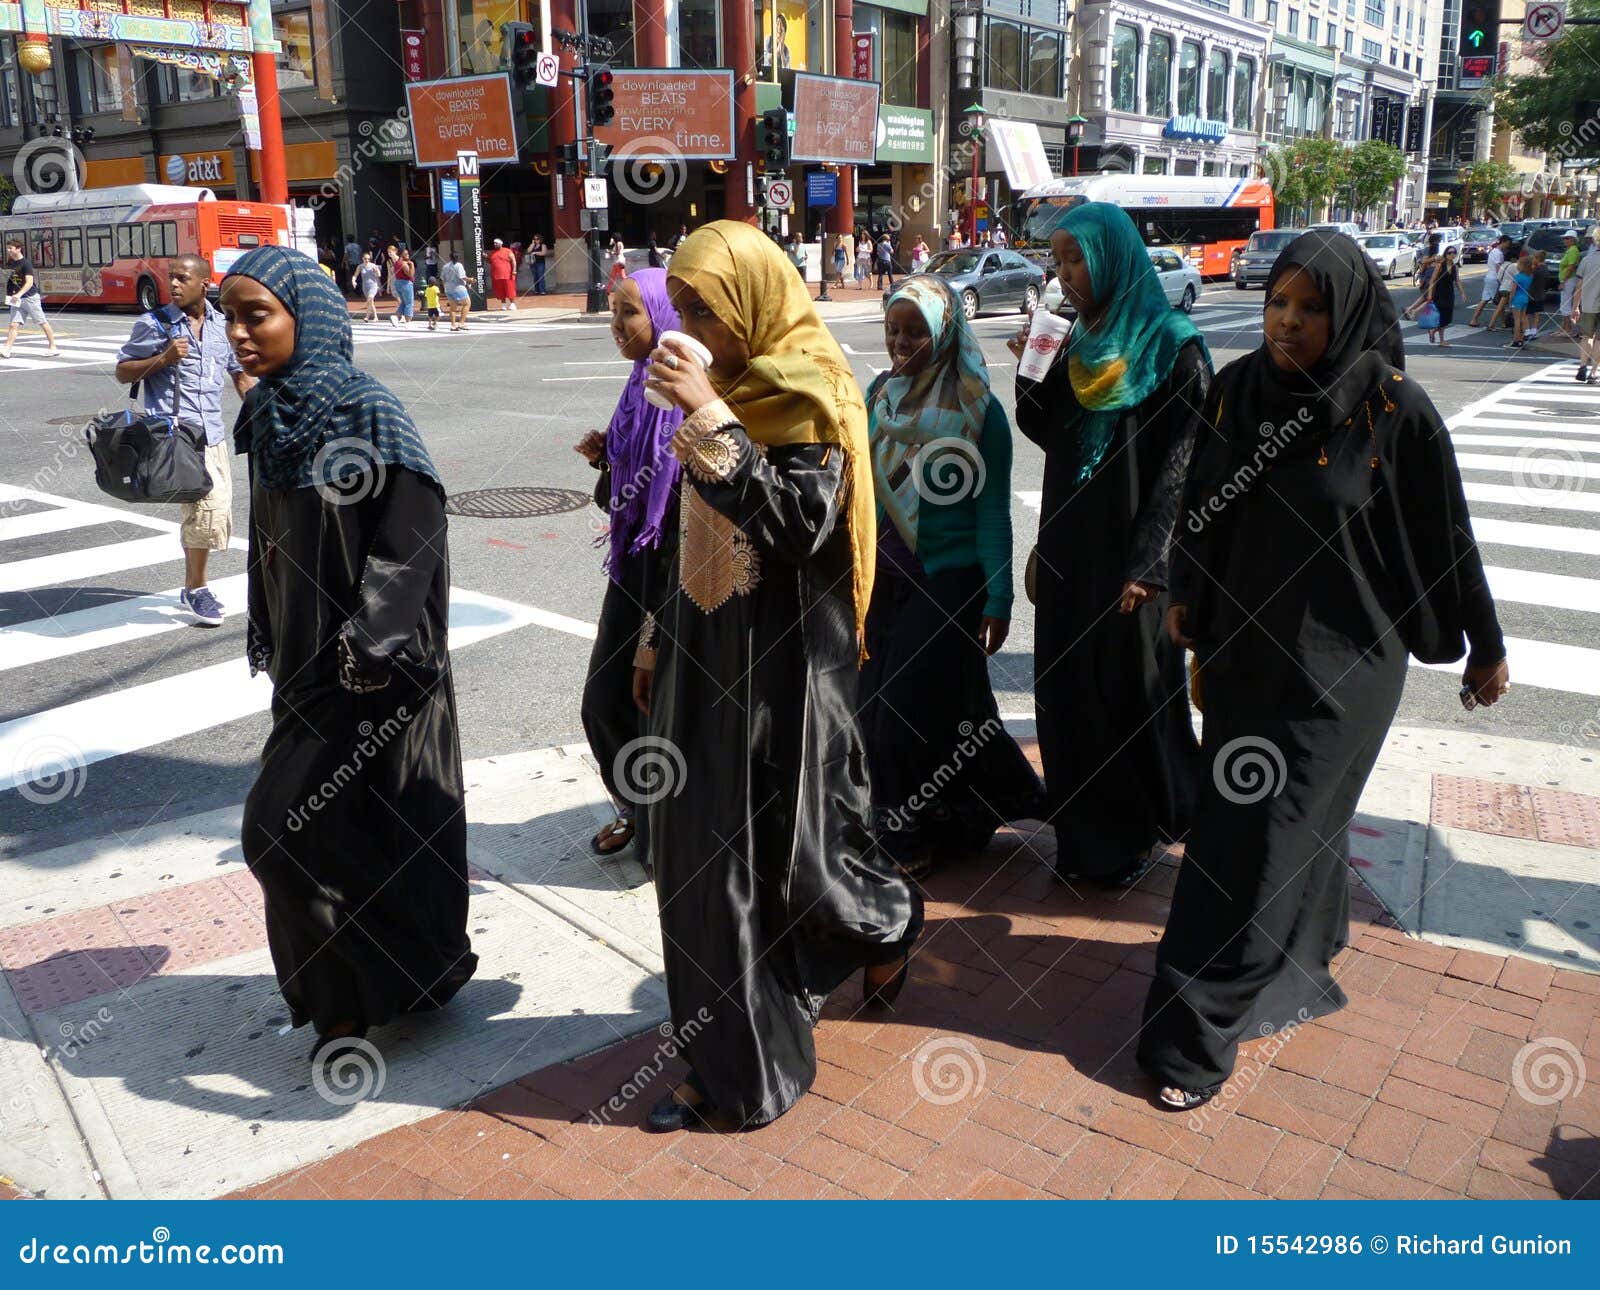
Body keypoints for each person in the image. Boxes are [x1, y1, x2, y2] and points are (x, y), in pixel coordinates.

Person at [1143, 231, 1509, 1111]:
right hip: (1243, 658)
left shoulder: (1394, 411)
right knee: (1255, 830)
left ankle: (1191, 1037)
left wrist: (1486, 643)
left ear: (1345, 314)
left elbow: (1446, 535)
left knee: (1257, 841)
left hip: (1346, 673)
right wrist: (1185, 591)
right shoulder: (1236, 393)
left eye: (1310, 308)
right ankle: (1299, 956)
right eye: (1277, 304)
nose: (1288, 323)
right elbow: (1202, 505)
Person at [633, 222, 922, 1132]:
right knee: (698, 866)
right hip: (702, 657)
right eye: (678, 308)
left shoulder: (808, 389)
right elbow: (695, 532)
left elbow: (797, 529)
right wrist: (653, 636)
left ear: (751, 300)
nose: (690, 327)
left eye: (705, 309)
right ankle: (731, 1058)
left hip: (783, 674)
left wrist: (710, 417)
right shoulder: (724, 388)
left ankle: (873, 935)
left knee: (785, 861)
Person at [218, 246, 478, 1065]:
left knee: (278, 832)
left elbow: (414, 533)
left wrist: (369, 642)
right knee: (341, 837)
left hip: (373, 671)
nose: (238, 333)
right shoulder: (272, 413)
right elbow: (271, 540)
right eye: (230, 316)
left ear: (309, 316)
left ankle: (348, 1002)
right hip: (305, 666)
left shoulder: (366, 411)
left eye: (255, 314)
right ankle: (365, 989)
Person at [1008, 202, 1209, 886]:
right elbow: (1045, 429)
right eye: (1058, 261)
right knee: (1068, 691)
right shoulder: (1073, 342)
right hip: (1069, 547)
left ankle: (1131, 833)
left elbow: (1183, 466)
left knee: (1126, 692)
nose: (1065, 276)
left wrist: (1152, 565)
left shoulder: (1171, 345)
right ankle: (1083, 830)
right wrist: (1031, 366)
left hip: (1130, 560)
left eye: (1076, 260)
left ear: (1113, 258)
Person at [859, 277, 1043, 878]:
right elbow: (860, 491)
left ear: (943, 332)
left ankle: (907, 835)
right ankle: (988, 804)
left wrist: (999, 595)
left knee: (899, 710)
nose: (903, 343)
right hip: (884, 580)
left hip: (950, 580)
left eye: (916, 331)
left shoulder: (977, 409)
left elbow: (991, 510)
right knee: (913, 706)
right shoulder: (879, 396)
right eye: (894, 330)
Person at [574, 270, 684, 858]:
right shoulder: (641, 383)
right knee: (608, 702)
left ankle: (662, 827)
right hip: (631, 569)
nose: (616, 326)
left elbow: (670, 520)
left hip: (662, 579)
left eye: (628, 313)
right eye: (614, 312)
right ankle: (640, 811)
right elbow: (624, 489)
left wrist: (652, 632)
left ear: (664, 317)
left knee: (642, 703)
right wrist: (606, 460)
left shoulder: (679, 396)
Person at [113, 253, 255, 624]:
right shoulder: (154, 324)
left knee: (206, 512)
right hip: (175, 437)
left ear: (203, 284)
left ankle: (193, 586)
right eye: (171, 278)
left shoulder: (223, 325)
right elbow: (123, 372)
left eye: (181, 278)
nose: (173, 284)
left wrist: (261, 411)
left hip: (213, 436)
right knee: (210, 509)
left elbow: (240, 374)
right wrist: (163, 359)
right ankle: (196, 589)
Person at [2, 237, 60, 359]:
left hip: (30, 298)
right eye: (8, 248)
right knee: (13, 325)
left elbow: (29, 283)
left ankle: (53, 347)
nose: (8, 251)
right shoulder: (12, 263)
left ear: (18, 249)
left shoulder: (26, 263)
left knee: (42, 322)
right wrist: (10, 295)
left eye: (10, 248)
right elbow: (11, 280)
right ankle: (7, 349)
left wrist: (18, 294)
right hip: (17, 299)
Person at [1423, 245, 1466, 347]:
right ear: (1445, 254)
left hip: (1449, 293)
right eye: (1449, 253)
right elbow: (1432, 280)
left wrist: (1462, 292)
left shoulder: (1455, 267)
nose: (1452, 255)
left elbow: (1457, 280)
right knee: (1441, 317)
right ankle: (1441, 340)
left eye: (1454, 253)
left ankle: (1433, 331)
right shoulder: (1440, 265)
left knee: (1447, 319)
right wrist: (1429, 295)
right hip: (1439, 293)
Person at [1572, 236, 1600, 383]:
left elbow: (1579, 286)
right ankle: (1593, 372)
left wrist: (1575, 306)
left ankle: (1583, 366)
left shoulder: (1586, 260)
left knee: (1586, 336)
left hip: (1588, 304)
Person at [1468, 234, 1508, 327]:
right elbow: (1498, 267)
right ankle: (1501, 323)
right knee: (1500, 301)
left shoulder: (1493, 251)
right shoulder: (1499, 253)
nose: (1507, 246)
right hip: (1495, 278)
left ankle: (1474, 319)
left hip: (1489, 276)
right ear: (1504, 242)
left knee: (1485, 299)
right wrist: (1501, 279)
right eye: (1507, 243)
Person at [1557, 230, 1582, 338]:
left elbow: (1571, 267)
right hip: (1569, 279)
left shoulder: (1573, 250)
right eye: (1564, 238)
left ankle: (1568, 329)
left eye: (1567, 238)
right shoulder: (1571, 250)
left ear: (1573, 240)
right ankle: (1564, 328)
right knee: (1564, 304)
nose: (1565, 240)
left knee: (1565, 305)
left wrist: (1563, 281)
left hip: (1569, 280)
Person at [440, 250, 472, 331]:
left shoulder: (445, 266)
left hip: (448, 288)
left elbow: (442, 279)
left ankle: (453, 325)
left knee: (453, 308)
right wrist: (470, 280)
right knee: (467, 304)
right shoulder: (459, 265)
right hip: (458, 288)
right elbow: (462, 277)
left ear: (450, 257)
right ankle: (461, 323)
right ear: (458, 257)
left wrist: (444, 288)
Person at [1508, 254, 1534, 348]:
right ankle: (1523, 337)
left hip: (1517, 299)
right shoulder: (1530, 276)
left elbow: (1513, 291)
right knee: (1523, 318)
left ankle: (1516, 340)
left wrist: (1510, 302)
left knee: (1517, 320)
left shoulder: (1518, 277)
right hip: (1525, 298)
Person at [1527, 249, 1551, 339]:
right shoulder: (1545, 268)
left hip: (1532, 294)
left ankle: (1529, 330)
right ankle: (1534, 331)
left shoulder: (1536, 269)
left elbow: (1530, 278)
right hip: (1540, 293)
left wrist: (1532, 267)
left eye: (1533, 258)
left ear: (1537, 258)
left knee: (1529, 313)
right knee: (1536, 313)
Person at [488, 238, 517, 311]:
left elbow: (513, 261)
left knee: (510, 290)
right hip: (496, 275)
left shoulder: (508, 251)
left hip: (507, 274)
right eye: (494, 243)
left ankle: (512, 304)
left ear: (501, 244)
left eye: (496, 243)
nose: (495, 244)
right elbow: (490, 261)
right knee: (500, 291)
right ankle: (503, 304)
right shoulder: (492, 252)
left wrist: (514, 271)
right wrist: (486, 257)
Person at [390, 246, 416, 327]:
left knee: (404, 302)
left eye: (408, 254)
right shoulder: (404, 263)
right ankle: (408, 321)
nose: (408, 255)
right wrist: (412, 265)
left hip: (398, 283)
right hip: (406, 283)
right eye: (405, 254)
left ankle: (396, 317)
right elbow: (410, 275)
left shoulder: (397, 263)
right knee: (409, 303)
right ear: (401, 255)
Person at [356, 251, 381, 323]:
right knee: (371, 302)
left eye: (368, 259)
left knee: (370, 298)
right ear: (362, 259)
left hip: (373, 285)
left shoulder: (373, 266)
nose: (367, 260)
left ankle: (367, 316)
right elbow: (355, 275)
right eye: (365, 259)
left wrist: (376, 271)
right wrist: (353, 281)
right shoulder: (360, 266)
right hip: (365, 286)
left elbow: (379, 275)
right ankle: (376, 317)